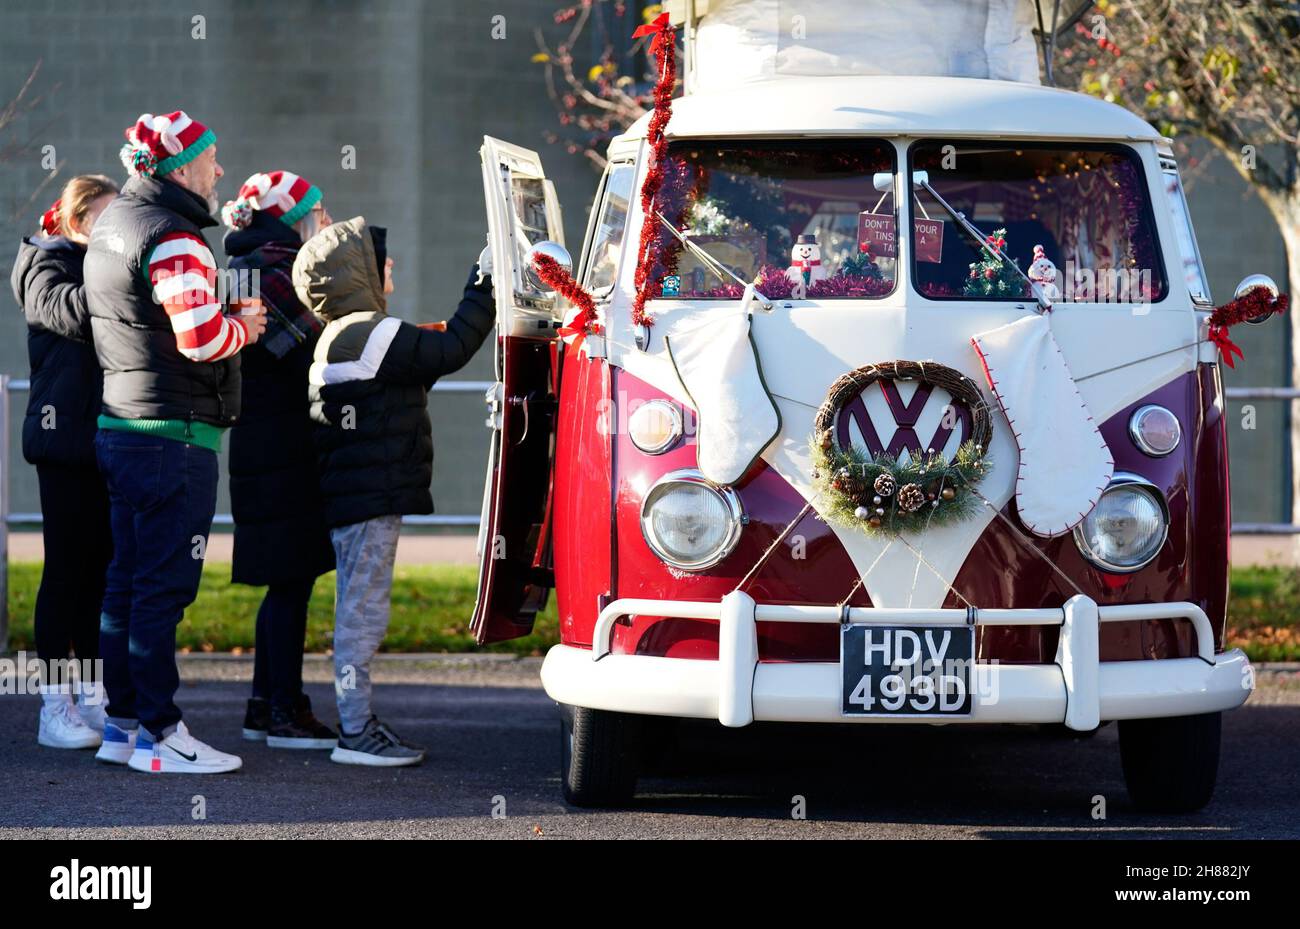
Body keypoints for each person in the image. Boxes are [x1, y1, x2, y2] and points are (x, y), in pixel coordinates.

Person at [83, 111, 267, 774]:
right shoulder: (175, 236)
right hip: (172, 437)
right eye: (211, 158)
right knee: (161, 588)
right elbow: (199, 337)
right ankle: (161, 736)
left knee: (125, 584)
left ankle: (122, 724)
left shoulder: (113, 224)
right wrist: (242, 324)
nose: (220, 171)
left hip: (120, 427)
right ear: (179, 166)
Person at [292, 217, 493, 766]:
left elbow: (423, 362)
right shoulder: (364, 330)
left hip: (365, 495)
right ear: (356, 271)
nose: (392, 264)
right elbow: (451, 348)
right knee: (361, 615)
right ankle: (355, 733)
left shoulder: (353, 332)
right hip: (368, 499)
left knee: (360, 611)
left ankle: (358, 724)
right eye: (381, 256)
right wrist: (486, 281)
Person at [220, 172, 337, 749]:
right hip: (280, 444)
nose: (324, 218)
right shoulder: (274, 270)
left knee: (288, 584)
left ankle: (266, 706)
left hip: (269, 444)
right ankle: (284, 711)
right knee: (290, 582)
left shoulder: (251, 262)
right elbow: (299, 350)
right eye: (316, 210)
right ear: (292, 217)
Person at [11, 176, 118, 750]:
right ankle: (54, 705)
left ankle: (92, 695)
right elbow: (73, 314)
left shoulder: (94, 266)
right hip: (62, 446)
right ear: (76, 221)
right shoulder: (43, 263)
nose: (115, 232)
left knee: (99, 577)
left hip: (104, 440)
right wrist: (123, 281)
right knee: (65, 573)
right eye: (104, 219)